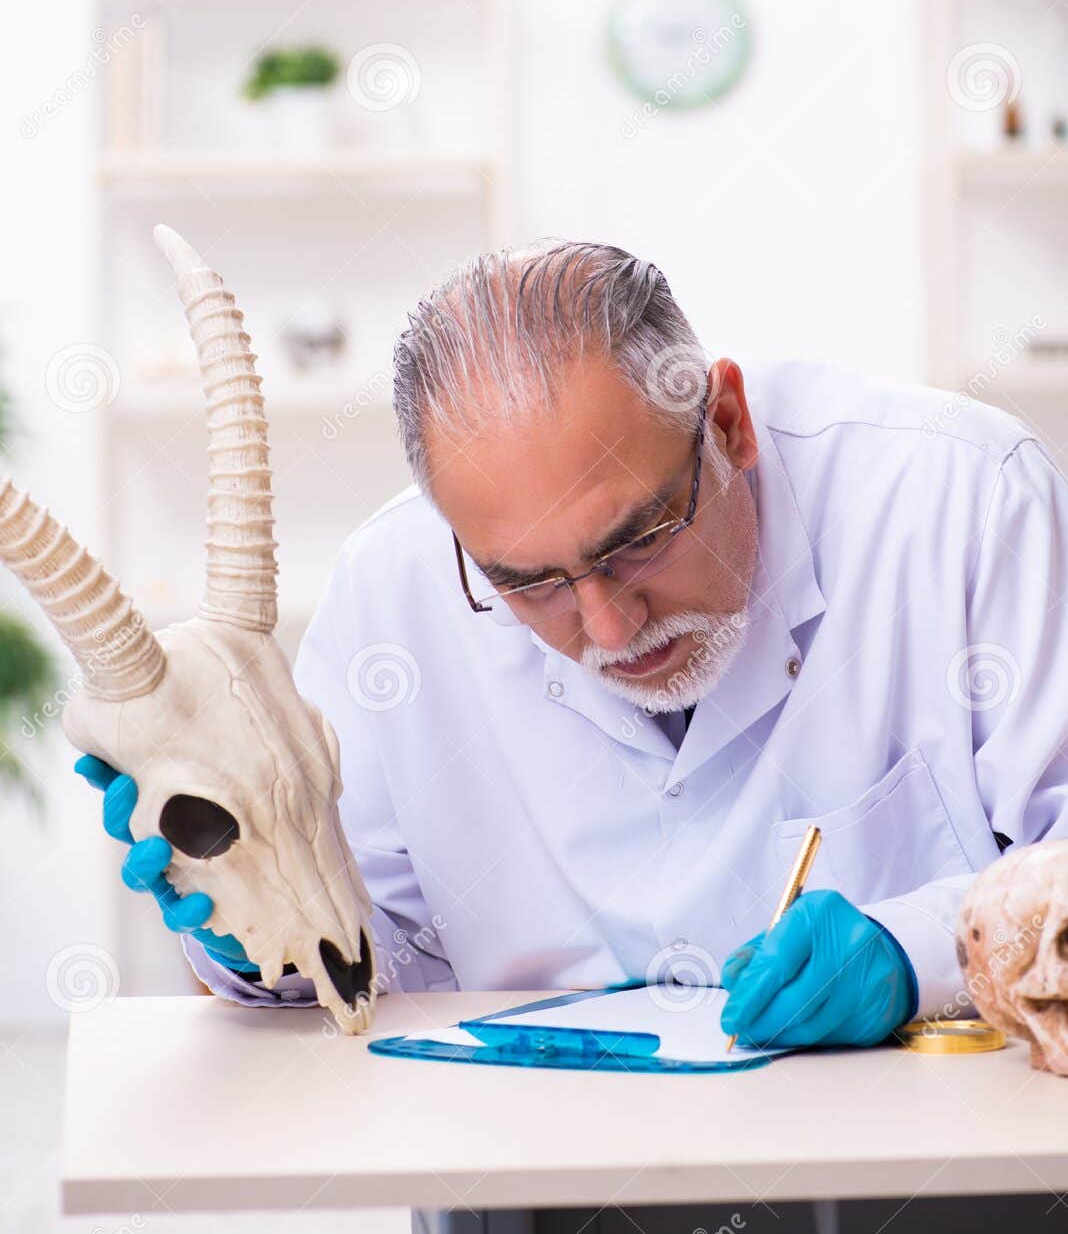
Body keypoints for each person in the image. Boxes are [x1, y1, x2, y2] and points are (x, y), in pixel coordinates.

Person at [80, 240, 1068, 1050]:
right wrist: (253, 905)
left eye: (640, 540)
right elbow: (374, 962)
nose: (609, 629)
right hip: (549, 1179)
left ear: (727, 421)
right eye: (528, 582)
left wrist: (916, 950)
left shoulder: (963, 497)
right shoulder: (397, 586)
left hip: (934, 1172)